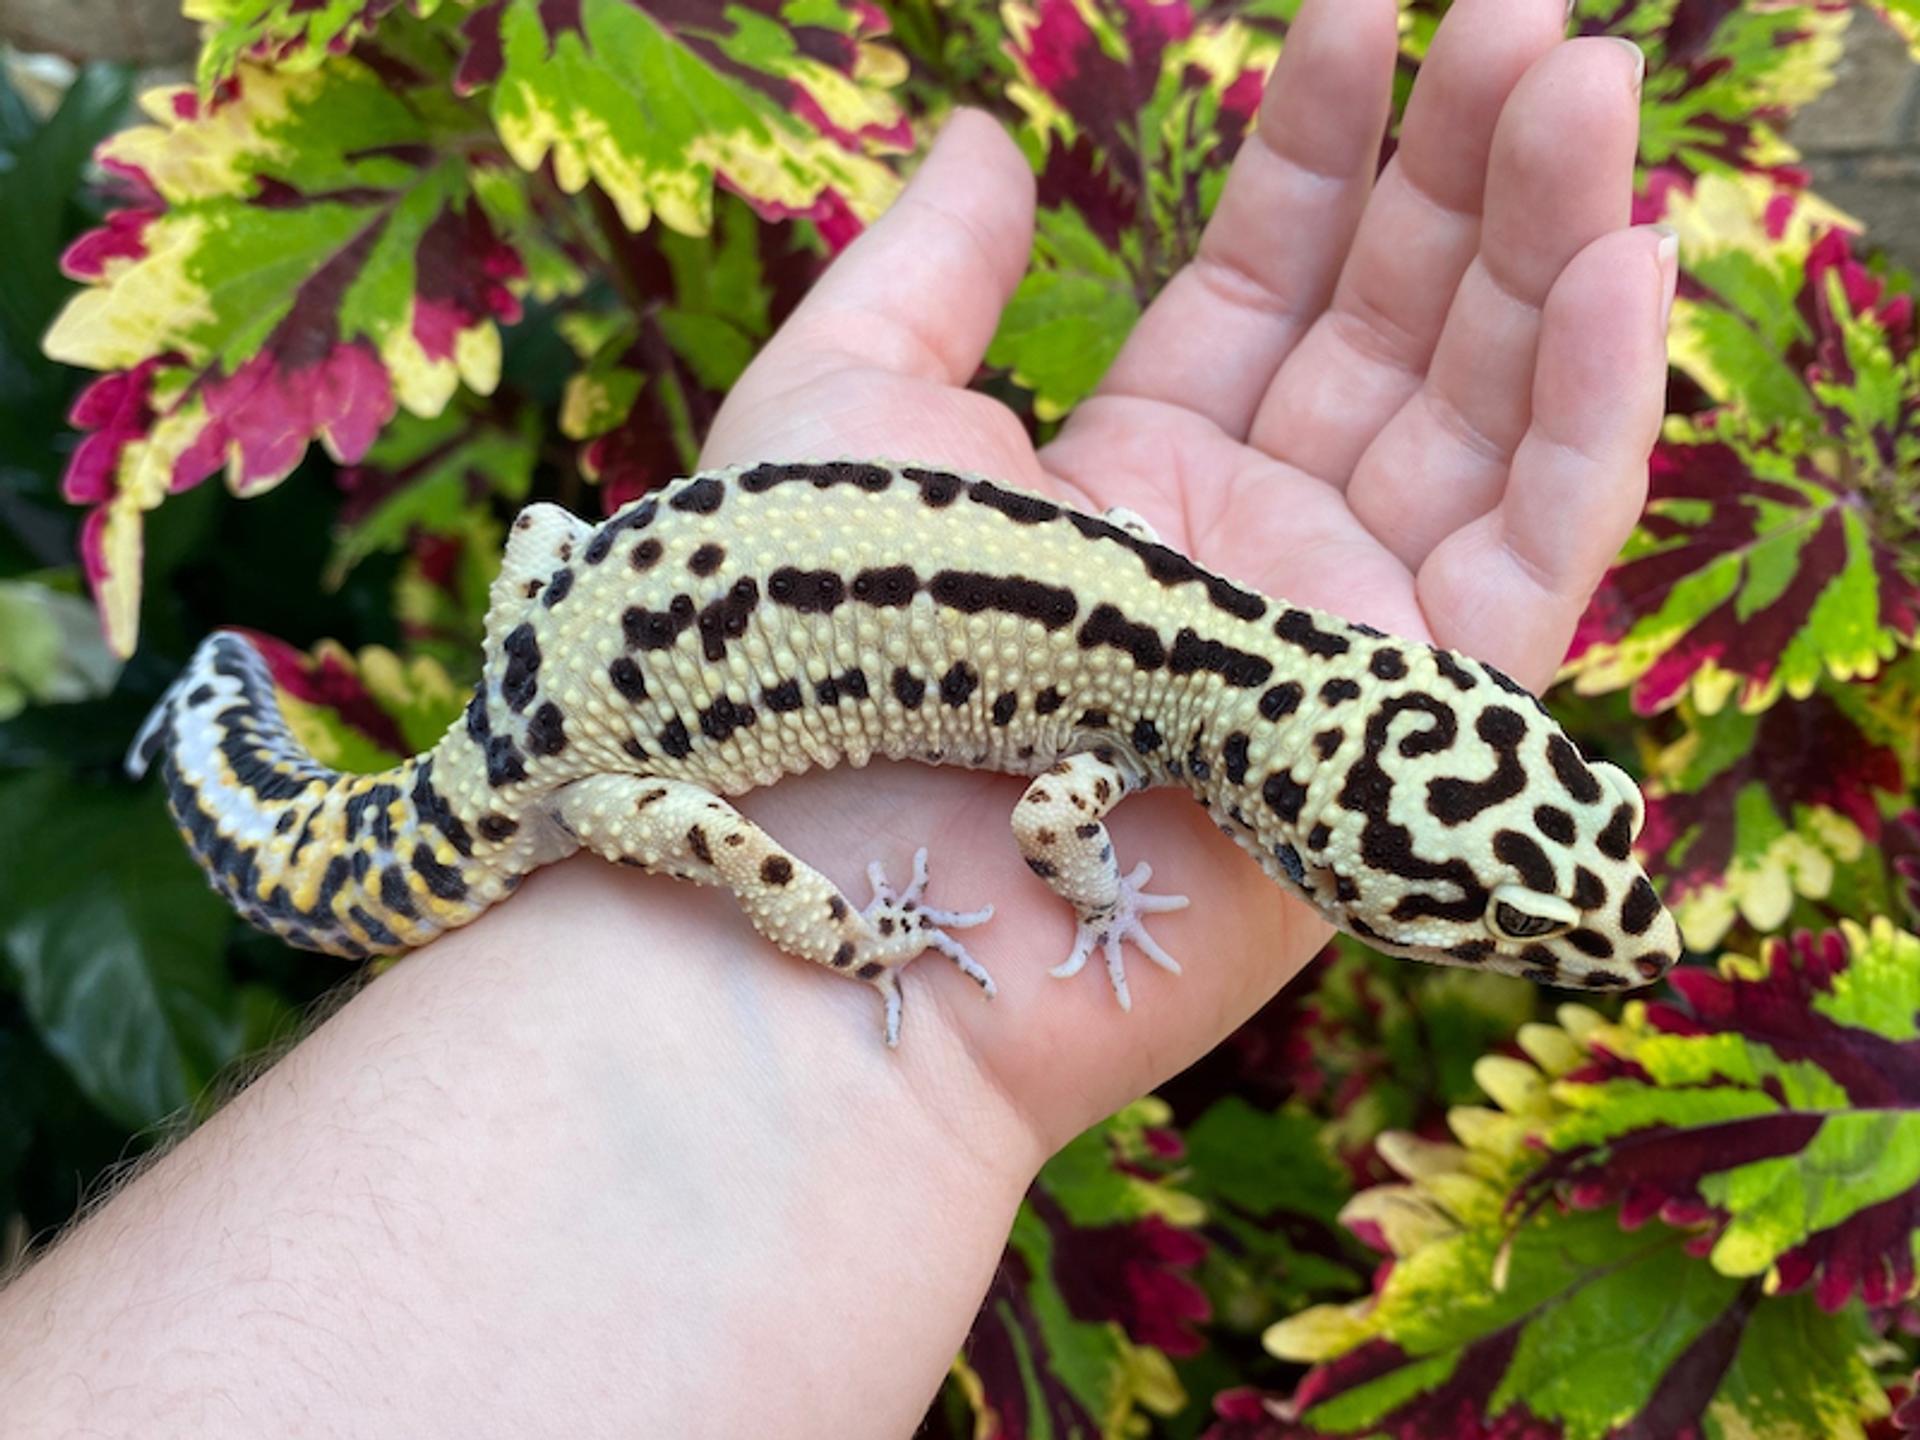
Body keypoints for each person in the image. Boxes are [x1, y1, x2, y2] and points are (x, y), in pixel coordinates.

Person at [0, 0, 1673, 1431]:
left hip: (594, 602)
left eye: (1510, 899)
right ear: (1349, 792)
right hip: (595, 758)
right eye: (1489, 911)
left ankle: (212, 711)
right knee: (749, 865)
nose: (1497, 934)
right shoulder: (1155, 733)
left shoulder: (1247, 637)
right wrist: (884, 930)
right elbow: (1043, 824)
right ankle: (832, 937)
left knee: (549, 553)